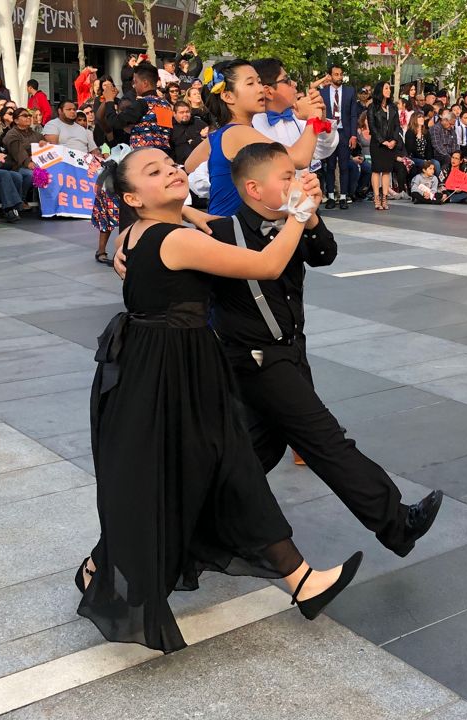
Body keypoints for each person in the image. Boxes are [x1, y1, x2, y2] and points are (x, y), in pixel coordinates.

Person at [80, 145, 364, 653]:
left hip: (167, 367)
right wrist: (299, 212)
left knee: (212, 469)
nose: (170, 170)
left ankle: (300, 579)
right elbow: (267, 264)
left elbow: (199, 223)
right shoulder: (175, 241)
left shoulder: (145, 232)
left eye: (170, 165)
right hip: (172, 373)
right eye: (153, 171)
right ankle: (104, 565)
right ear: (132, 197)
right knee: (208, 469)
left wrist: (172, 213)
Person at [184, 141, 442, 557]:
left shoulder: (293, 220)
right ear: (254, 189)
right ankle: (396, 522)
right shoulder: (221, 234)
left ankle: (187, 520)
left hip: (291, 353)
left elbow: (325, 255)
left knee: (253, 452)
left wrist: (310, 216)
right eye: (286, 177)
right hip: (256, 361)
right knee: (326, 440)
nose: (298, 181)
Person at [184, 59, 322, 218]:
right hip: (234, 233)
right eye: (250, 84)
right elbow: (300, 158)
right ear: (228, 96)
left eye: (259, 82)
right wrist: (313, 116)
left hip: (225, 228)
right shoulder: (238, 132)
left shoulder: (220, 135)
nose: (260, 89)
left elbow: (189, 165)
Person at [250, 58, 335, 179]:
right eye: (287, 80)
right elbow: (299, 159)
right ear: (268, 92)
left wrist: (321, 119)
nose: (294, 83)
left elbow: (322, 150)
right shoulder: (251, 126)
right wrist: (313, 117)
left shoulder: (296, 118)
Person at [318, 65, 360, 209]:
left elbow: (354, 114)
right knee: (329, 166)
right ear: (330, 76)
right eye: (336, 74)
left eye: (341, 74)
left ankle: (343, 196)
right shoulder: (322, 92)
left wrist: (353, 135)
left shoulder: (349, 91)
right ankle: (330, 196)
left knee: (344, 166)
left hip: (344, 132)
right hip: (329, 132)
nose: (339, 77)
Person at [108, 62, 173, 151]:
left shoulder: (142, 103)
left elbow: (115, 122)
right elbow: (162, 133)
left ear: (145, 83)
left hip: (143, 158)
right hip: (163, 155)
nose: (134, 86)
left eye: (136, 82)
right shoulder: (165, 105)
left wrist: (109, 100)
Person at [366, 81, 401, 210]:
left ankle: (385, 198)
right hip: (378, 144)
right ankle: (376, 198)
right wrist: (382, 141)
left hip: (391, 143)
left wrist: (394, 140)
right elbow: (372, 127)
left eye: (389, 88)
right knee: (376, 170)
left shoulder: (393, 107)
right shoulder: (372, 107)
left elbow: (397, 125)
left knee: (387, 171)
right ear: (380, 90)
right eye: (386, 88)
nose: (389, 90)